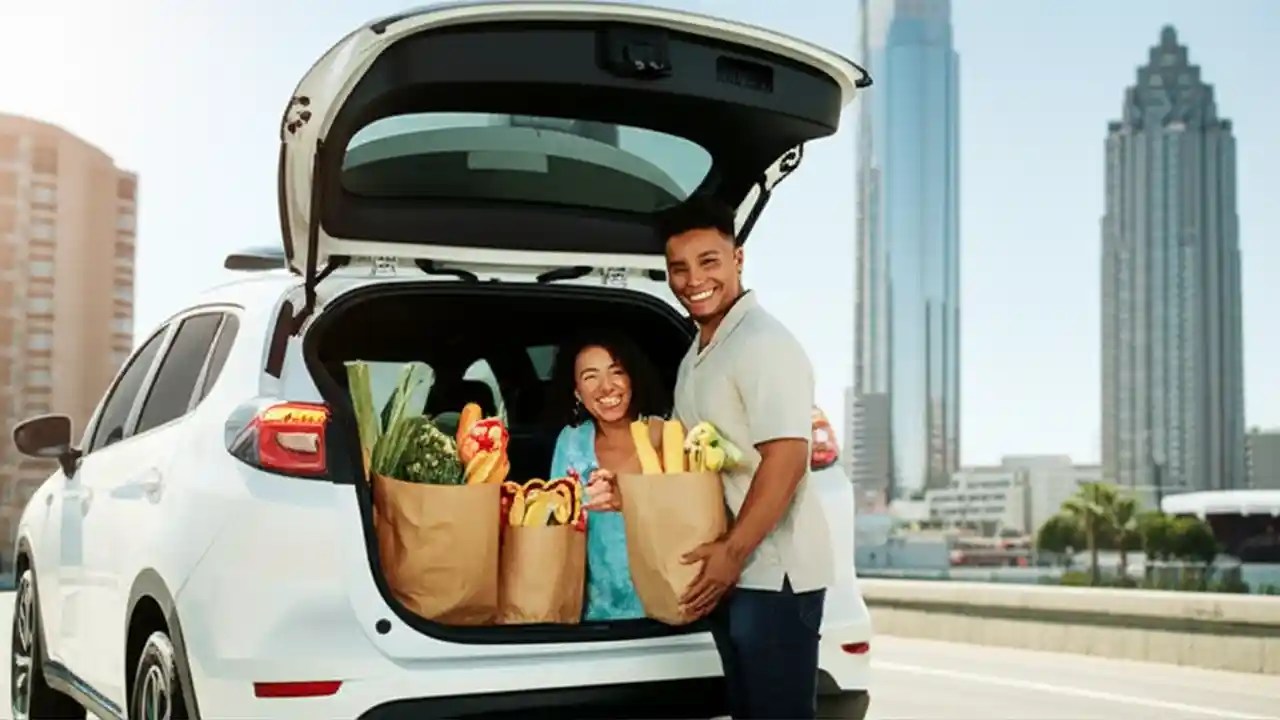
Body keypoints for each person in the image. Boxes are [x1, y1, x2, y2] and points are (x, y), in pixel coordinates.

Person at [586, 195, 832, 719]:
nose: (693, 279)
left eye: (709, 262)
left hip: (774, 577)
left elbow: (786, 458)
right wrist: (625, 494)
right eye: (679, 268)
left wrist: (732, 553)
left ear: (738, 259)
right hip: (734, 573)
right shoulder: (697, 356)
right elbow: (685, 464)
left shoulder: (764, 345)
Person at [547, 332, 669, 622]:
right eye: (590, 377)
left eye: (616, 372)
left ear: (632, 380)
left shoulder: (666, 436)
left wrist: (628, 499)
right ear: (577, 392)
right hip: (594, 613)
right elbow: (556, 522)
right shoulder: (571, 441)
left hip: (663, 607)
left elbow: (687, 517)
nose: (606, 387)